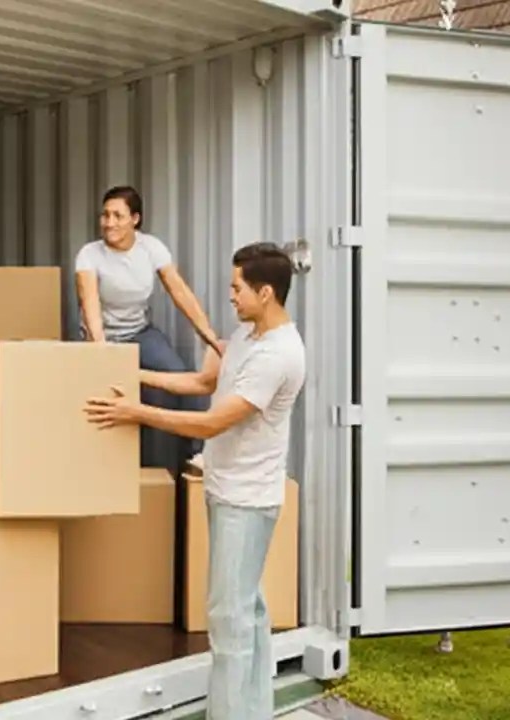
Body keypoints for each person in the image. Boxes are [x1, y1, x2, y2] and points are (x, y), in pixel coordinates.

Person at [84, 242, 306, 720]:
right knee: (248, 612)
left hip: (247, 500)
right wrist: (134, 373)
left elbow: (210, 423)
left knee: (229, 622)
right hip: (227, 490)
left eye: (236, 288)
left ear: (265, 292)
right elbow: (205, 384)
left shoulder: (279, 355)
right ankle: (253, 711)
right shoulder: (248, 335)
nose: (229, 296)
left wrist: (135, 413)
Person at [75, 185, 221, 469]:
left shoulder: (151, 248)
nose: (109, 223)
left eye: (118, 216)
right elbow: (89, 303)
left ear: (135, 219)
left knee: (184, 379)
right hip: (100, 338)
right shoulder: (89, 254)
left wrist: (210, 337)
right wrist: (102, 351)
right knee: (113, 394)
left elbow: (181, 293)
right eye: (105, 215)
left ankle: (198, 454)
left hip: (140, 333)